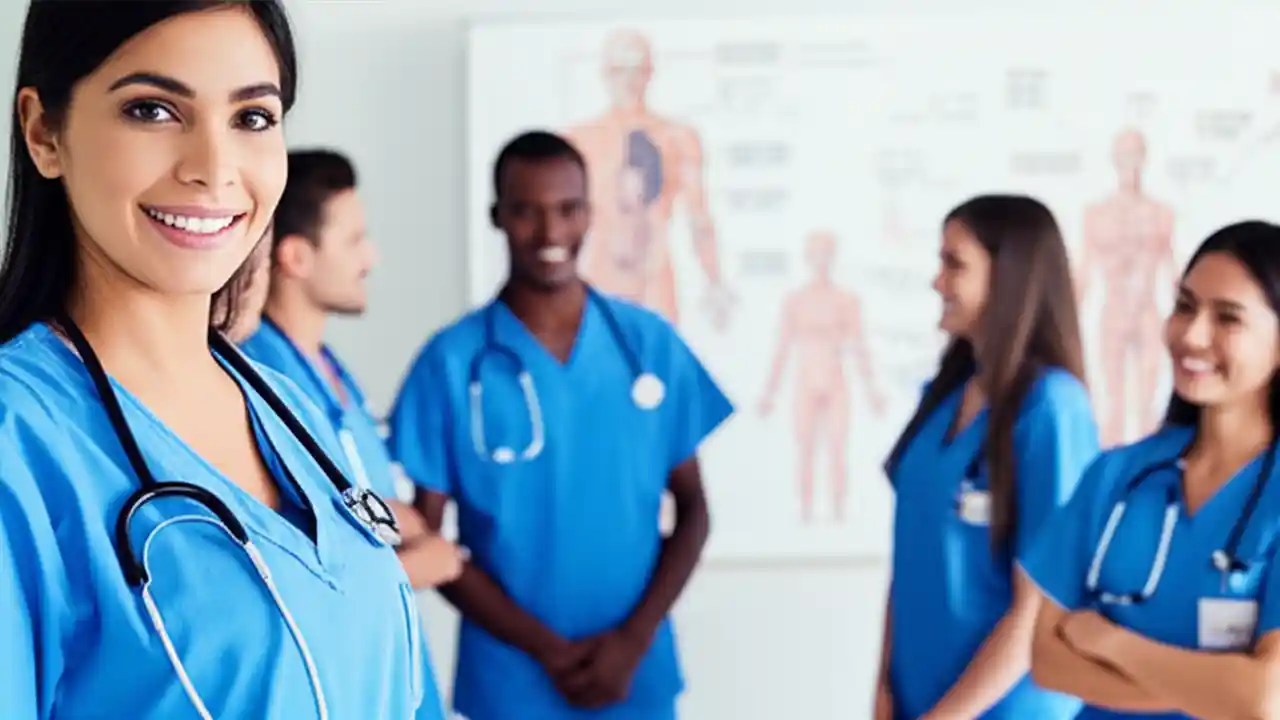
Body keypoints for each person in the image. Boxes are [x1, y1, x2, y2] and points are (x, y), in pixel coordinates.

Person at [0, 3, 425, 718]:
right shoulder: (20, 441)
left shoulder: (285, 405)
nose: (213, 168)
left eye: (252, 118)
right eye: (153, 110)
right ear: (45, 132)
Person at [387, 130, 733, 720]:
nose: (550, 234)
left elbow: (694, 509)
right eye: (527, 212)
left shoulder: (647, 345)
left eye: (567, 210)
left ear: (590, 214)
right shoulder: (450, 362)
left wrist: (631, 642)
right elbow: (429, 542)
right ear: (497, 217)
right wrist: (547, 651)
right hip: (511, 680)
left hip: (635, 673)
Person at [239, 148, 462, 719]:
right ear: (296, 256)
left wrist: (400, 521)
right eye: (355, 239)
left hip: (393, 672)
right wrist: (415, 562)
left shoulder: (332, 372)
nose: (373, 257)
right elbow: (283, 574)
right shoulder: (257, 379)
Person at [1025, 220, 1280, 720]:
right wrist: (1213, 683)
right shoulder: (1116, 476)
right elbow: (1048, 661)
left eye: (1228, 318)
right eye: (1184, 306)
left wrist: (1112, 643)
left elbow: (1262, 699)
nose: (1192, 334)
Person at [876, 195, 1101, 719]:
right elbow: (908, 564)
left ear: (1009, 277)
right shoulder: (943, 399)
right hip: (921, 699)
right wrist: (884, 689)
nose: (937, 281)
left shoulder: (1053, 408)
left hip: (1006, 706)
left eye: (954, 264)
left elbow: (1042, 603)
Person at [565, 29, 733, 330]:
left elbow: (699, 219)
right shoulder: (581, 140)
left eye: (637, 70)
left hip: (655, 276)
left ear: (650, 73)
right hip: (603, 273)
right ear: (605, 74)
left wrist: (714, 280)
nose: (628, 81)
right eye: (619, 71)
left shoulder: (679, 138)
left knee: (660, 366)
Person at [758, 229, 886, 524]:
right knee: (805, 450)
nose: (821, 259)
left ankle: (839, 515)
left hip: (836, 381)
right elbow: (782, 348)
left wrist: (873, 392)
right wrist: (770, 393)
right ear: (808, 257)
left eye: (826, 252)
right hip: (805, 382)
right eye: (816, 252)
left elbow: (859, 347)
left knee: (837, 450)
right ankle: (805, 515)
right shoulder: (795, 300)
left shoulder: (846, 300)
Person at [1076, 128, 1176, 447]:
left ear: (1145, 158)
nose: (1129, 162)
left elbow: (1173, 273)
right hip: (1114, 315)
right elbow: (1086, 273)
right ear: (1114, 160)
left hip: (1148, 314)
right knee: (1114, 408)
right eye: (1123, 154)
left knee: (1147, 408)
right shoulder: (1097, 215)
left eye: (1135, 153)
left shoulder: (1161, 214)